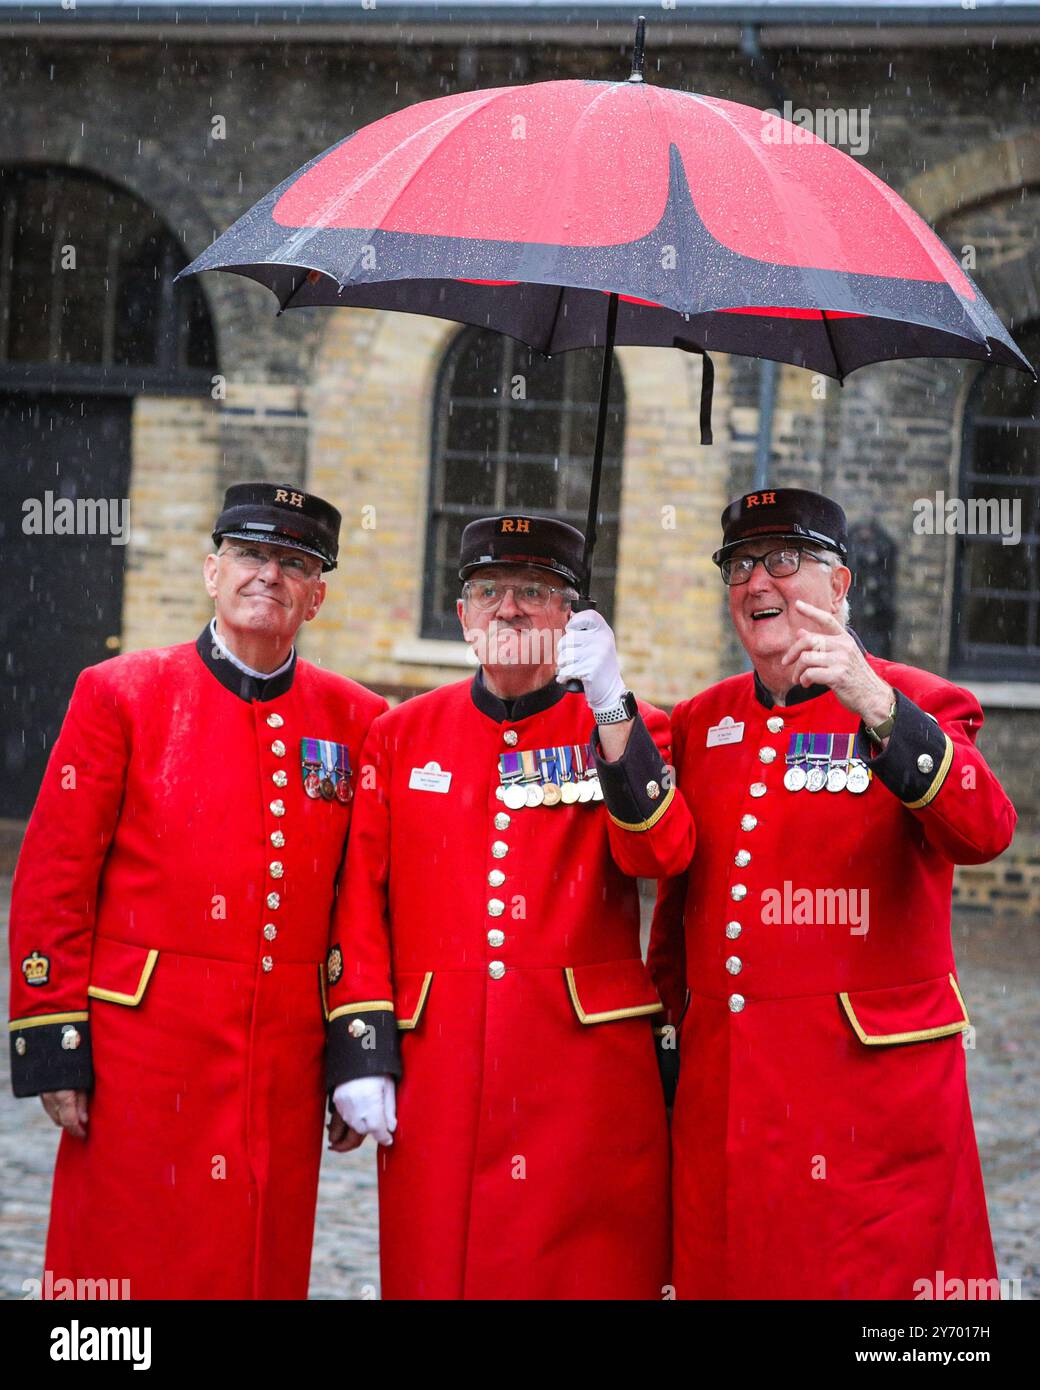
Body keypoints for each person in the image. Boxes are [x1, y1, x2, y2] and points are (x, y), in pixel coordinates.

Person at [7, 482, 387, 1299]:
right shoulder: (122, 694)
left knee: (257, 1255)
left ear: (316, 597)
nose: (268, 576)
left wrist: (356, 1049)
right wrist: (53, 1036)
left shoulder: (355, 720)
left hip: (282, 1060)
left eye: (293, 564)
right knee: (124, 1254)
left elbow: (359, 904)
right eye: (250, 555)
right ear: (213, 572)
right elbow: (54, 877)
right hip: (141, 1049)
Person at [647, 487, 1016, 1300]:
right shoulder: (705, 721)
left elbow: (985, 831)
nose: (758, 583)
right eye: (740, 565)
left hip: (866, 1096)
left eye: (786, 560)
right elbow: (678, 911)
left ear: (840, 586)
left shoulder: (916, 698)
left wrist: (876, 703)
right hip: (732, 1088)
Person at [324, 513, 694, 1299]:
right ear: (462, 616)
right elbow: (361, 901)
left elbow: (661, 854)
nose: (510, 610)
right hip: (439, 1066)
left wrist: (611, 703)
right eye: (488, 591)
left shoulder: (627, 724)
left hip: (582, 1071)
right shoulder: (401, 736)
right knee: (438, 1266)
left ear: (570, 616)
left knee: (580, 1273)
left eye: (536, 592)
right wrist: (361, 1046)